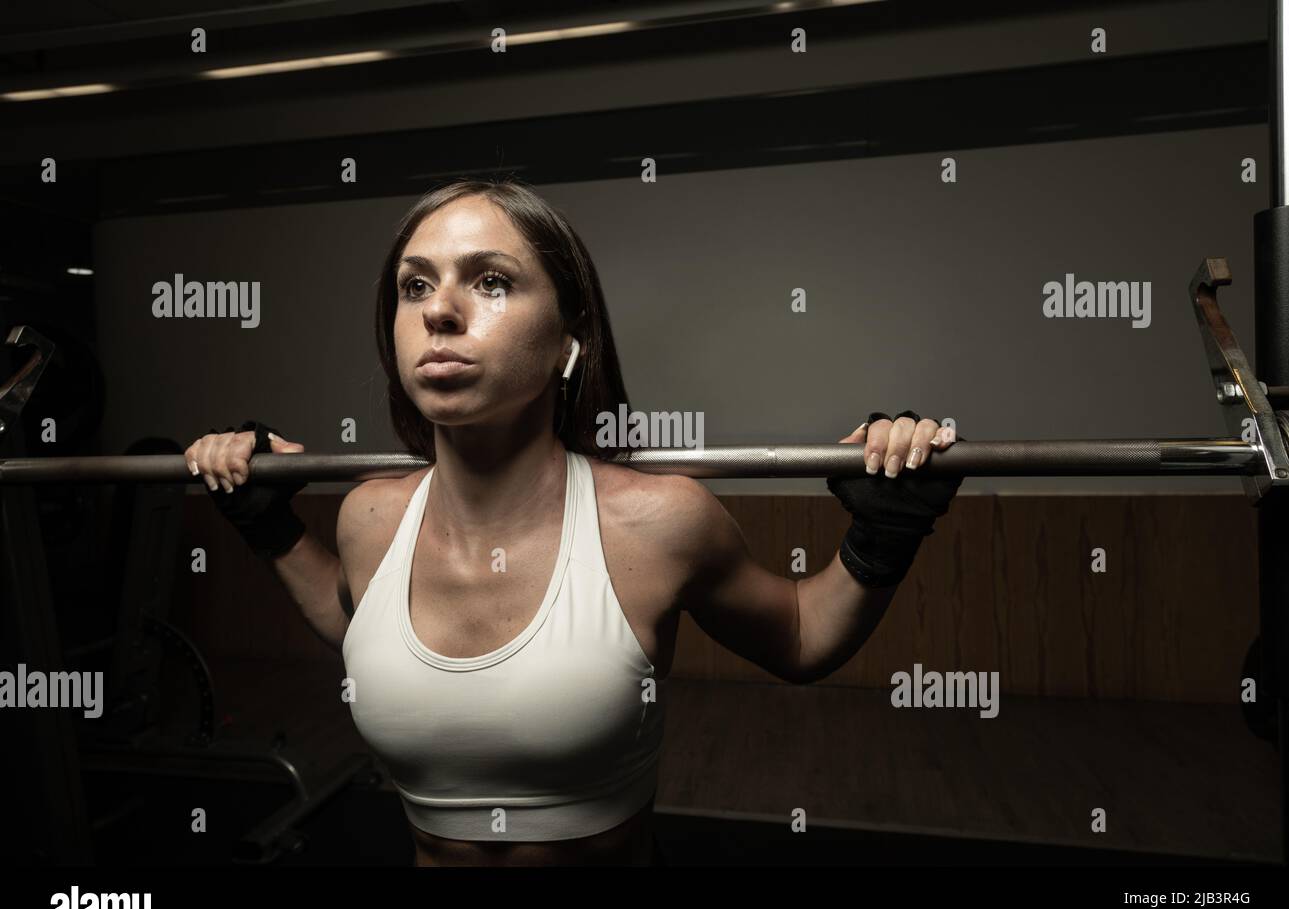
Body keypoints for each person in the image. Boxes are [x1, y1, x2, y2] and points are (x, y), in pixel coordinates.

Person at [185, 178, 962, 866]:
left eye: (490, 281)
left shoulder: (658, 520)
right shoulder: (369, 517)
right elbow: (357, 620)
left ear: (570, 335)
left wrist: (883, 534)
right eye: (414, 287)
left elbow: (798, 638)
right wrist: (269, 530)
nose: (441, 313)